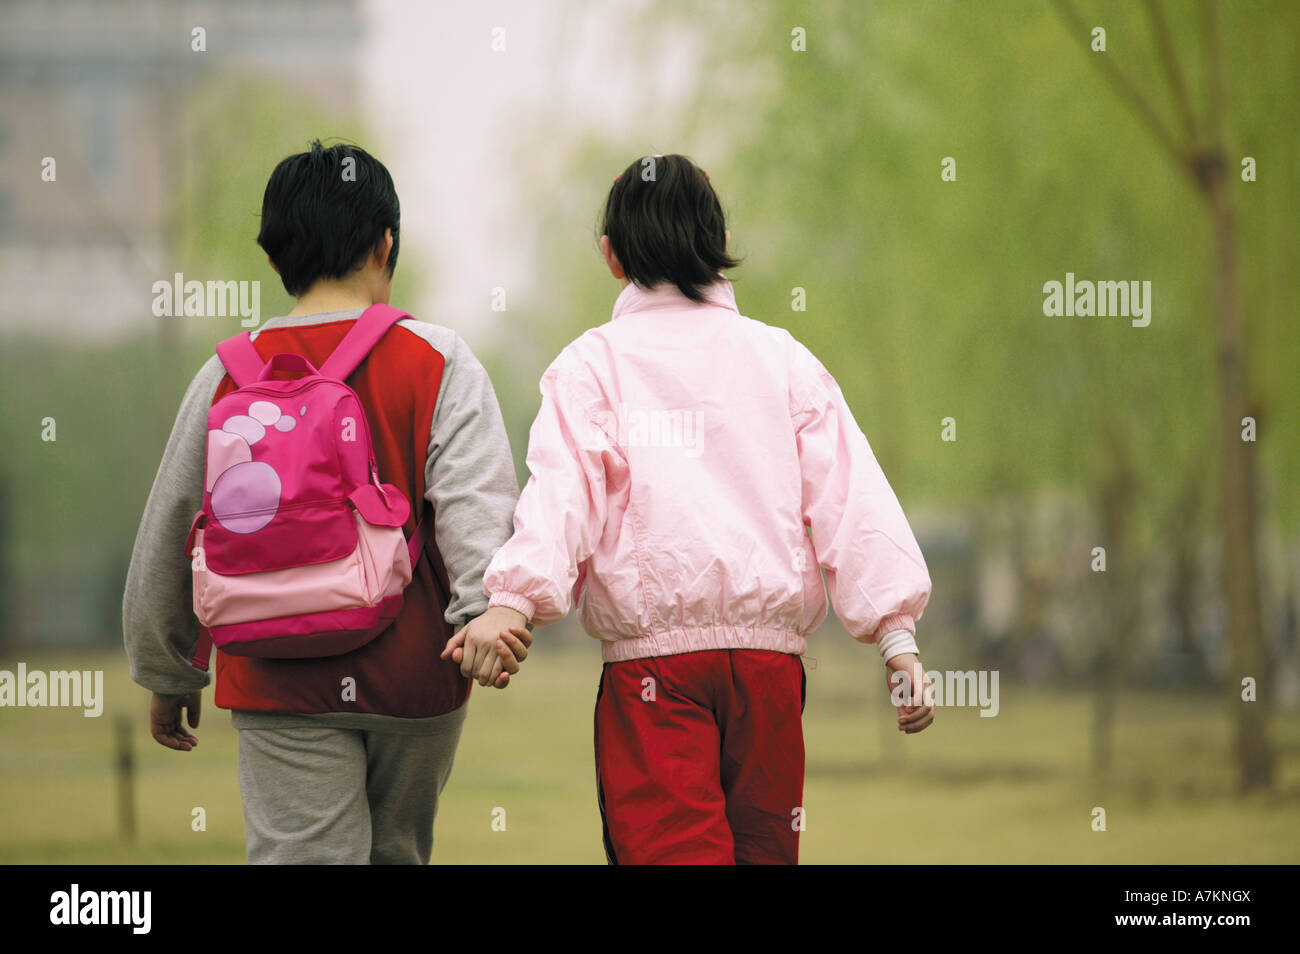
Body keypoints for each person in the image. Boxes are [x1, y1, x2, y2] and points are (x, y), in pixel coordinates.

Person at [455, 154, 935, 865]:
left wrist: (511, 603)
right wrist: (898, 637)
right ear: (721, 238)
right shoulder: (784, 360)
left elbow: (563, 498)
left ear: (612, 257)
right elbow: (853, 498)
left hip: (658, 675)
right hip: (770, 676)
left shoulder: (594, 366)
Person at [123, 140, 528, 864]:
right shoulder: (436, 359)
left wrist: (169, 666)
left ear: (276, 260)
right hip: (414, 674)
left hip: (274, 675)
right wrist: (481, 615)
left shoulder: (225, 374)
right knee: (397, 853)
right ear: (386, 243)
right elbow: (477, 496)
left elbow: (171, 523)